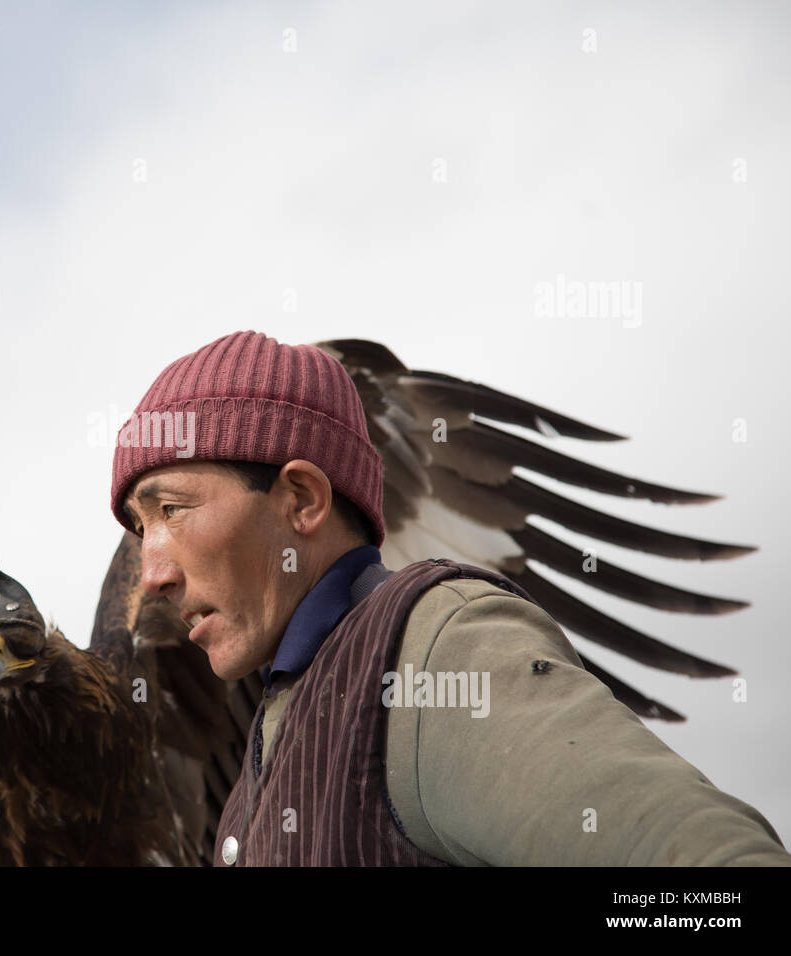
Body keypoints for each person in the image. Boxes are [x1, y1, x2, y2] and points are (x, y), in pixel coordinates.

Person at [110, 329, 790, 866]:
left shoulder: (426, 662)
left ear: (302, 500)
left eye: (173, 509)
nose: (150, 574)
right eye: (141, 531)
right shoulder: (263, 760)